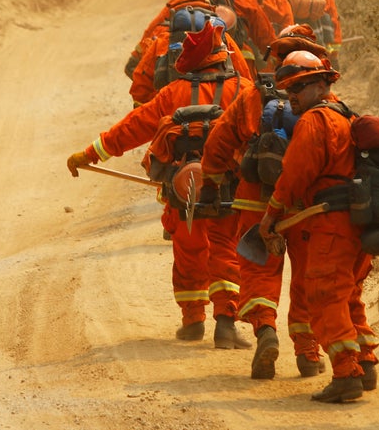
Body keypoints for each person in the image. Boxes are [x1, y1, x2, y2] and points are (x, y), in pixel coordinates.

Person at [67, 20, 254, 348]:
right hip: (228, 188)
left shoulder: (174, 92)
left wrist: (89, 154)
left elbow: (132, 127)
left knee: (189, 248)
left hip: (183, 192)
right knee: (225, 248)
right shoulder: (245, 90)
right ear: (222, 57)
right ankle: (226, 323)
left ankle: (193, 320)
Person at [200, 25, 330, 380]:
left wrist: (211, 183)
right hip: (304, 205)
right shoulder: (323, 101)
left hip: (256, 202)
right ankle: (307, 353)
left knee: (258, 272)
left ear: (275, 58)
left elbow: (218, 143)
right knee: (306, 277)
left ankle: (265, 331)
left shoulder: (252, 96)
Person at [259, 50, 379, 403]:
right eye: (287, 89)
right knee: (348, 295)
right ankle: (366, 362)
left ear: (321, 84)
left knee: (324, 296)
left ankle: (345, 375)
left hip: (331, 226)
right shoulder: (348, 116)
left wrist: (271, 216)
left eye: (298, 87)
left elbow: (294, 176)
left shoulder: (315, 122)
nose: (290, 96)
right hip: (359, 223)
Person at [129, 0, 251, 107]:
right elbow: (245, 78)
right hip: (220, 115)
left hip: (173, 117)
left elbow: (140, 90)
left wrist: (160, 107)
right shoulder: (222, 38)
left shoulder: (161, 42)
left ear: (174, 14)